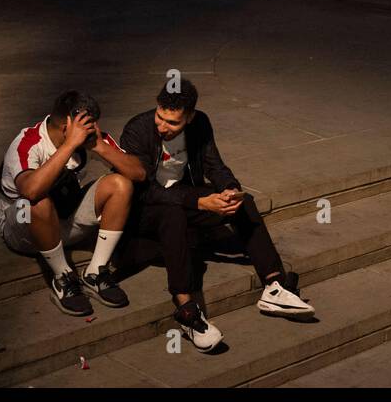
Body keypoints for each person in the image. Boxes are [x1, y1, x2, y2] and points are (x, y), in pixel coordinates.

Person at [114, 78, 314, 352]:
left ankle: (274, 286)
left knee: (244, 202)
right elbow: (144, 191)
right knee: (173, 214)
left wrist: (230, 190)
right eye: (160, 117)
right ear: (157, 107)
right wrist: (200, 203)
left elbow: (215, 166)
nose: (163, 127)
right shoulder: (138, 130)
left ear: (190, 117)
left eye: (173, 123)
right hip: (147, 210)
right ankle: (187, 311)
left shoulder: (201, 123)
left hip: (184, 198)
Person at [0, 91, 145, 317]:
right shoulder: (28, 142)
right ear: (67, 127)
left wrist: (99, 147)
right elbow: (31, 190)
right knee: (37, 201)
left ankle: (96, 272)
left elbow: (139, 173)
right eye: (84, 128)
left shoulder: (88, 136)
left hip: (65, 220)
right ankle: (62, 276)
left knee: (121, 184)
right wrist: (69, 146)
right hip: (24, 231)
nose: (91, 131)